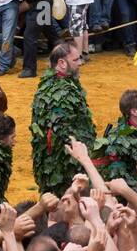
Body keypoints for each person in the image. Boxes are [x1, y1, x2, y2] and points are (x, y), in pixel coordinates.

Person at [29, 42, 94, 195]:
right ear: (62, 63)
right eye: (76, 60)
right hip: (64, 167)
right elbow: (64, 135)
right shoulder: (61, 93)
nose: (81, 63)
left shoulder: (52, 82)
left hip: (53, 166)